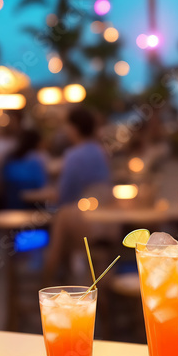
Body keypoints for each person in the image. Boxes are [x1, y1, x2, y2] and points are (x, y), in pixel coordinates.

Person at [44, 107, 112, 283]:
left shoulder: (73, 156)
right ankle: (78, 284)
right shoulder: (101, 152)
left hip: (87, 224)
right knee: (64, 218)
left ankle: (49, 283)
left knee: (61, 220)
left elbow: (64, 195)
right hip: (108, 223)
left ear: (73, 128)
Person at [2, 129, 47, 210]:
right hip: (31, 208)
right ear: (37, 143)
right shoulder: (35, 159)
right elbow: (41, 186)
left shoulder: (10, 159)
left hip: (10, 206)